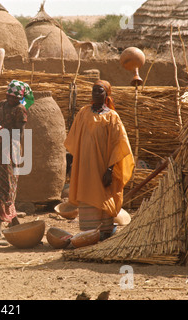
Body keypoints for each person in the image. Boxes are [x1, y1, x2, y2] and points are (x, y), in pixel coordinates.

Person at [64, 80, 135, 240]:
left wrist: (110, 170)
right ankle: (89, 232)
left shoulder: (112, 117)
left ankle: (104, 232)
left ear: (106, 95)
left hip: (103, 167)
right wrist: (73, 163)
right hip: (85, 166)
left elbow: (119, 145)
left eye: (100, 91)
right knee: (87, 192)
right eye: (94, 91)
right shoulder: (83, 112)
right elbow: (74, 138)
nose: (96, 94)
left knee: (104, 195)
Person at [0, 80, 34, 239]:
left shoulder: (20, 110)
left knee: (6, 187)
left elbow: (18, 134)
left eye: (14, 97)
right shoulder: (1, 106)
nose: (11, 99)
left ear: (20, 98)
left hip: (10, 152)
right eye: (9, 96)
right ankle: (14, 223)